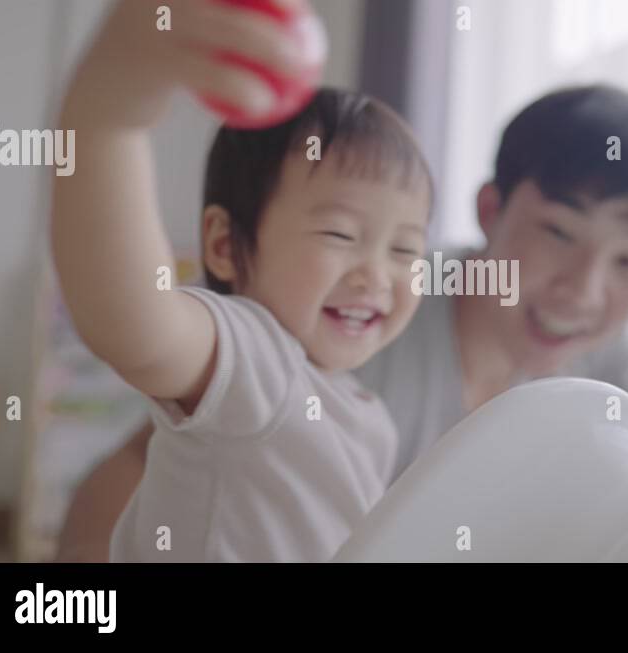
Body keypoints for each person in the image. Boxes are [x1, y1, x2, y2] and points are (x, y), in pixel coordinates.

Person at [55, 81, 628, 561]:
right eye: (558, 233)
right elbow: (142, 457)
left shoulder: (619, 365)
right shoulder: (355, 318)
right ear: (490, 211)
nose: (583, 289)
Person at [51, 0, 432, 561]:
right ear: (226, 246)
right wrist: (108, 115)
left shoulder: (364, 411)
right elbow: (132, 319)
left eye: (405, 249)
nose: (377, 273)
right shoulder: (255, 362)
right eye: (340, 235)